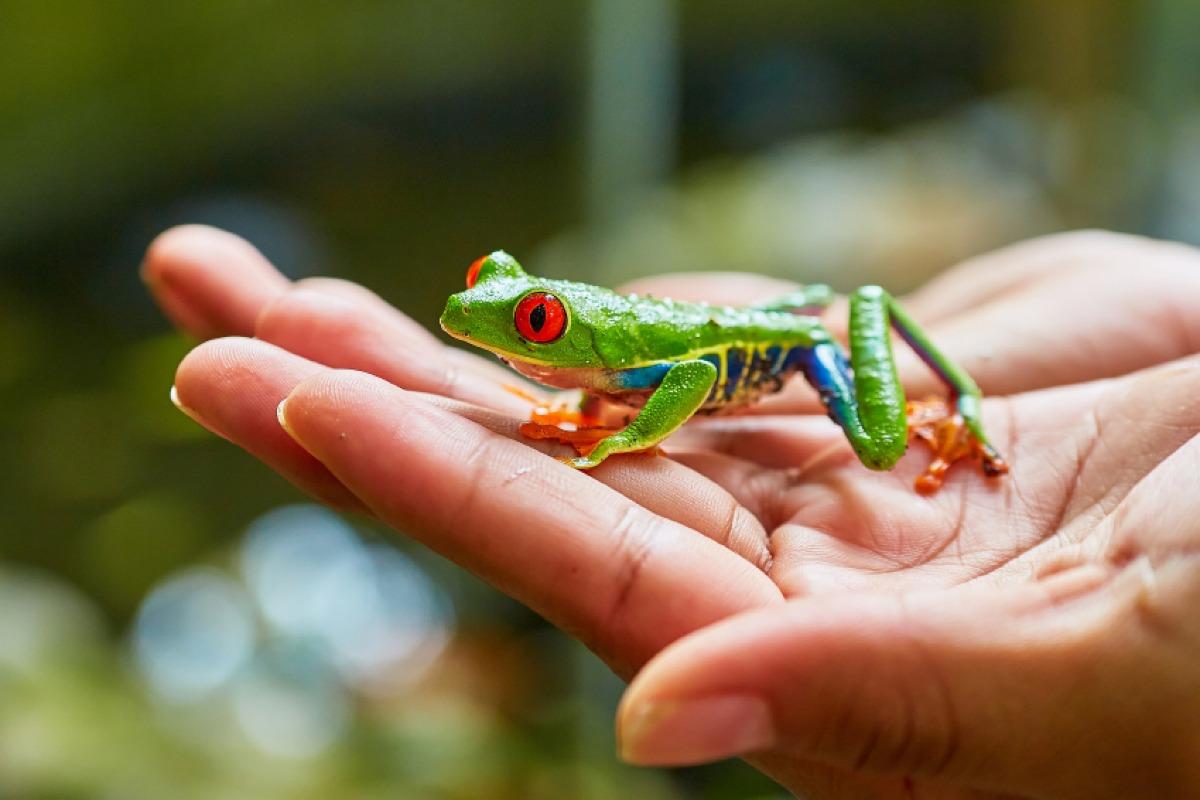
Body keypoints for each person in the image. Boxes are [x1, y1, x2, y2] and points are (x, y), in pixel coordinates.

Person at [144, 226, 1200, 799]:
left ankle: (956, 398)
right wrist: (593, 401)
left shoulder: (638, 357)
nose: (500, 318)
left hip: (790, 351)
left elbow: (687, 379)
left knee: (879, 437)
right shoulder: (586, 347)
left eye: (537, 316)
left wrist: (618, 434)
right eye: (503, 296)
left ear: (565, 323)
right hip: (701, 336)